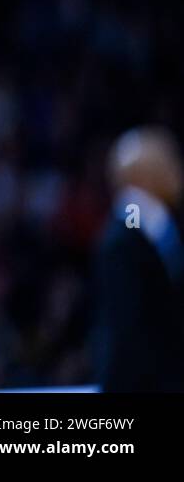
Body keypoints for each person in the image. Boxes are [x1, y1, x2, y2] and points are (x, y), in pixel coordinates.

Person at [93, 126, 184, 391]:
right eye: (168, 161)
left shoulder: (156, 227)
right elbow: (129, 333)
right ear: (145, 174)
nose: (177, 170)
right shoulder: (122, 241)